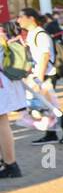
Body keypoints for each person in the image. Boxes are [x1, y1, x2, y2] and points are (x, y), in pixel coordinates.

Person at [18, 8, 63, 143]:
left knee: (50, 105)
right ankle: (51, 134)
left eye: (21, 17)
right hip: (40, 74)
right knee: (46, 105)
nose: (18, 20)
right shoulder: (32, 34)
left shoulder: (40, 34)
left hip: (46, 74)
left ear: (31, 18)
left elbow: (45, 56)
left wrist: (39, 78)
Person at [0, 26, 27, 177]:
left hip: (2, 85)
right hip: (5, 84)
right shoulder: (2, 34)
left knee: (2, 123)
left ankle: (10, 164)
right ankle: (8, 163)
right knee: (2, 123)